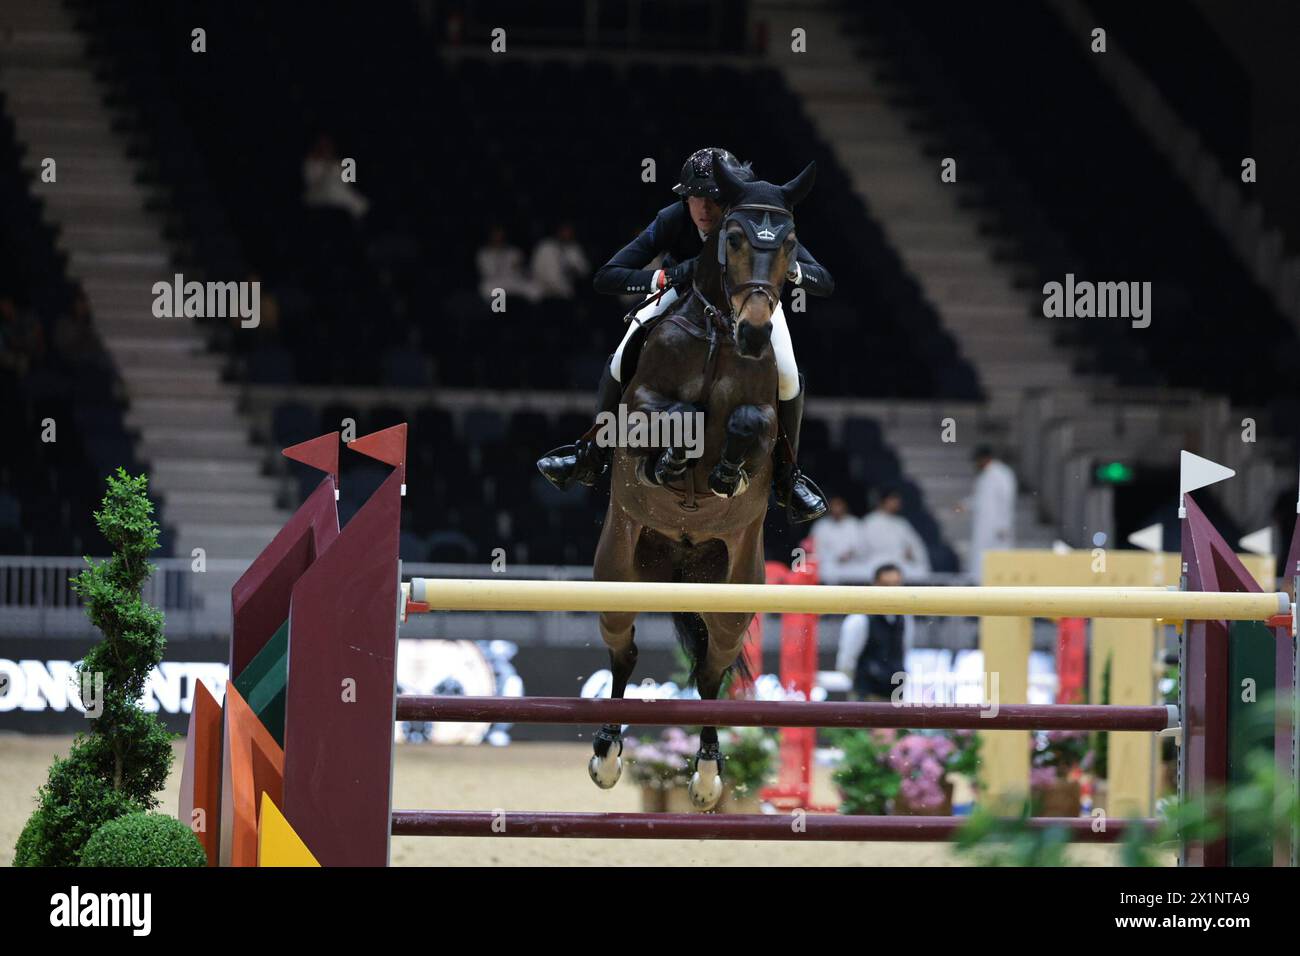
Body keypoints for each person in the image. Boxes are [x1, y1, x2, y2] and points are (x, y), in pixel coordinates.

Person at [537, 147, 835, 521]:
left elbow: (823, 280)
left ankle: (788, 476)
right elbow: (607, 277)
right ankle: (591, 454)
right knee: (621, 355)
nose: (706, 209)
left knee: (789, 376)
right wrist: (664, 276)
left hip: (749, 305)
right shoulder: (673, 217)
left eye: (714, 198)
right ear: (685, 196)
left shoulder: (751, 218)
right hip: (681, 296)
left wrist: (788, 269)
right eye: (696, 197)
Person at [835, 563, 914, 701]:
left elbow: (904, 651)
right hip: (866, 696)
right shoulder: (859, 619)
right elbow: (846, 663)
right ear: (875, 585)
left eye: (896, 585)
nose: (892, 590)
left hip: (895, 695)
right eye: (886, 585)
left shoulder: (905, 618)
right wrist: (862, 683)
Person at [966, 445, 1017, 581]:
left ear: (985, 458)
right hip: (984, 525)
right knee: (980, 559)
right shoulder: (984, 476)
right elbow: (980, 500)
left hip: (997, 527)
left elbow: (1006, 500)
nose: (976, 464)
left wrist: (1003, 525)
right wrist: (965, 504)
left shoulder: (1002, 474)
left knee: (999, 558)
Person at [859, 486, 931, 580]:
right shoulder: (870, 521)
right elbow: (861, 549)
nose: (897, 503)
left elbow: (915, 547)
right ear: (883, 501)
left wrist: (911, 554)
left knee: (920, 572)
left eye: (897, 500)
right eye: (893, 500)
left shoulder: (902, 523)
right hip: (875, 562)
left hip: (900, 563)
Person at [302, 133, 370, 220]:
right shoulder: (311, 162)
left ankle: (359, 213)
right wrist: (327, 166)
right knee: (336, 189)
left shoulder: (338, 162)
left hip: (340, 192)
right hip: (318, 193)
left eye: (328, 145)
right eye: (323, 145)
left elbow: (348, 183)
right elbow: (311, 183)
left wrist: (345, 169)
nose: (326, 148)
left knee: (353, 197)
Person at [476, 225, 539, 304]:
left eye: (500, 234)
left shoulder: (514, 251)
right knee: (486, 288)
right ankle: (499, 312)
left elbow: (522, 271)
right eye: (496, 235)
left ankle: (531, 312)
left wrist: (519, 267)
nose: (498, 237)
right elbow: (487, 273)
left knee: (534, 288)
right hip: (496, 282)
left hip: (514, 281)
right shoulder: (484, 253)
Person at [810, 496, 865, 582]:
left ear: (844, 507)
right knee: (826, 573)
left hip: (853, 562)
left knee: (865, 572)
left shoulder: (854, 523)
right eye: (834, 505)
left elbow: (861, 545)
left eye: (839, 505)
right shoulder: (821, 525)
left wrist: (850, 554)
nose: (836, 509)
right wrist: (834, 557)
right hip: (829, 564)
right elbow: (815, 549)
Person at [530, 222, 590, 300]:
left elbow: (585, 270)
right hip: (541, 288)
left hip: (563, 290)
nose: (566, 233)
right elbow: (535, 268)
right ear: (558, 231)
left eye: (569, 231)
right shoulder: (545, 246)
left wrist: (574, 269)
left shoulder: (574, 249)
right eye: (564, 230)